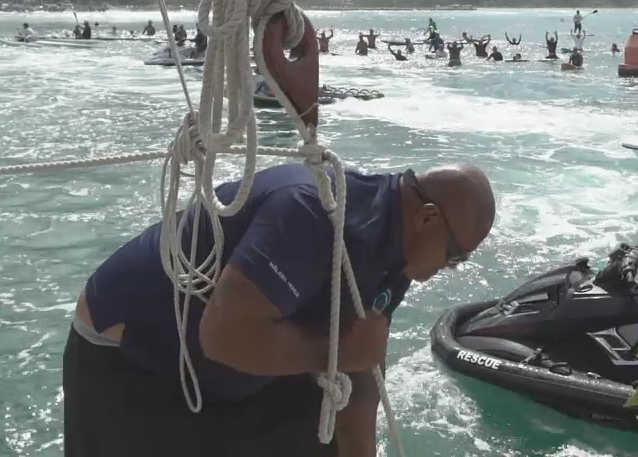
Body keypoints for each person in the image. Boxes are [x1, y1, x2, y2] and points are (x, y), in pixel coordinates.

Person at [62, 163, 495, 457]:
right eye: (456, 255)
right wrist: (339, 353)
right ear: (427, 218)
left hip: (235, 360)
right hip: (133, 354)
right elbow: (225, 335)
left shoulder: (396, 256)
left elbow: (357, 382)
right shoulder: (312, 211)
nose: (449, 267)